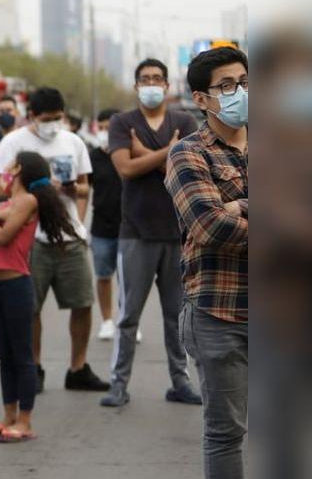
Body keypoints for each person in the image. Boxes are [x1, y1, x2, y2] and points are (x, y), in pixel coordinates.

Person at [165, 47, 248, 479]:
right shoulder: (188, 154)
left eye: (246, 83)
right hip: (220, 312)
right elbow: (210, 227)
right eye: (227, 86)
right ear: (201, 98)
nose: (241, 93)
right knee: (226, 433)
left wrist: (240, 206)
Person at [0, 87, 109, 393]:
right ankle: (34, 367)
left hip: (69, 237)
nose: (53, 124)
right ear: (31, 116)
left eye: (58, 118)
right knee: (30, 308)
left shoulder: (73, 142)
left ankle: (78, 368)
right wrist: (37, 187)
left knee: (82, 303)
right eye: (46, 119)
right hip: (30, 238)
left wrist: (72, 197)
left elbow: (85, 188)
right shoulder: (12, 143)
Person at [101, 58, 203, 408]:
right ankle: (119, 384)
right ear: (136, 86)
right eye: (145, 79)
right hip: (136, 233)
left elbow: (187, 169)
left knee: (177, 317)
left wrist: (146, 153)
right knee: (128, 316)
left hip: (178, 233)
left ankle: (180, 382)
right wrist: (168, 152)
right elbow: (125, 169)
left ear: (167, 85)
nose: (151, 84)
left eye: (157, 78)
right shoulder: (122, 122)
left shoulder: (185, 121)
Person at [0, 150, 80, 444]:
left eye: (9, 165)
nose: (4, 170)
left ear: (18, 168)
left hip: (16, 285)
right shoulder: (4, 205)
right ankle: (8, 416)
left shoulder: (28, 201)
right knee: (4, 356)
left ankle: (25, 420)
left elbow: (2, 237)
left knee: (22, 355)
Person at [88, 108, 124, 342]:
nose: (105, 132)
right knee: (103, 276)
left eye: (109, 128)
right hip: (101, 226)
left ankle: (128, 320)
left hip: (129, 226)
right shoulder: (92, 156)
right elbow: (84, 189)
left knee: (128, 278)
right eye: (101, 128)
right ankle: (107, 320)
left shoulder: (129, 153)